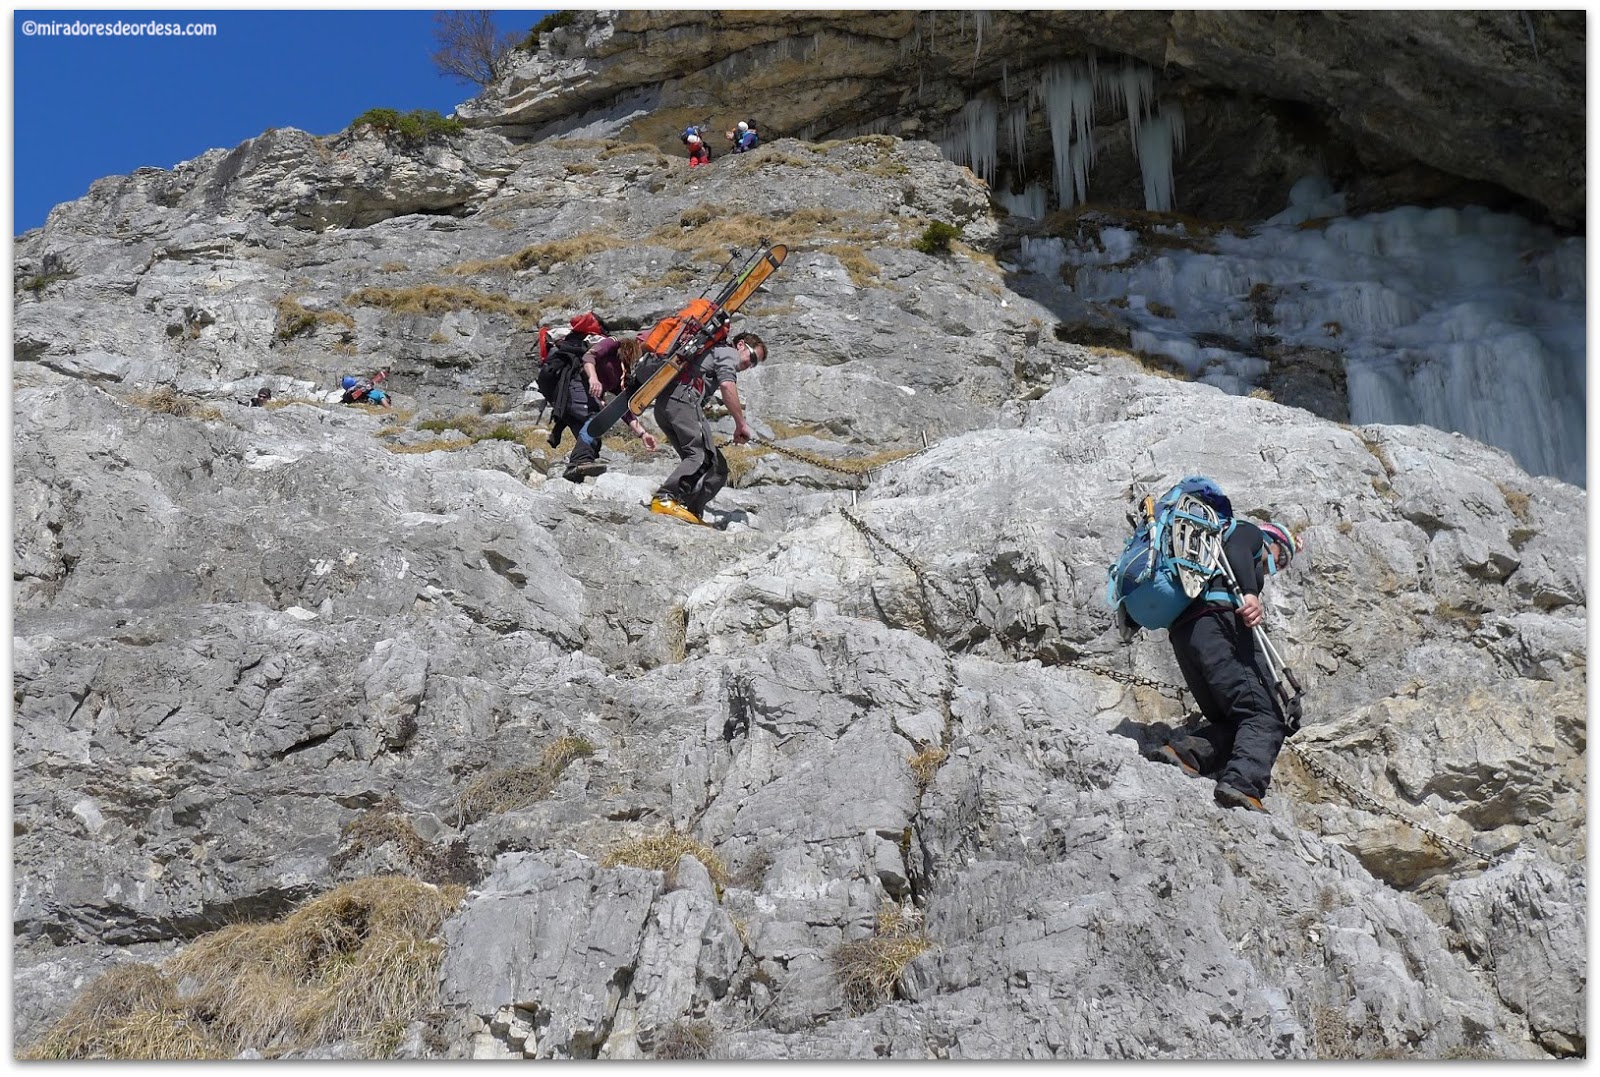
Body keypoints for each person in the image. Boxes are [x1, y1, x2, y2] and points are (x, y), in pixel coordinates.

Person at [1149, 517, 1302, 813]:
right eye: (1279, 557)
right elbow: (1240, 548)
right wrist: (1250, 593)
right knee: (1265, 715)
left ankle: (1185, 753)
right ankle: (1243, 785)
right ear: (1272, 540)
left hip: (1186, 635)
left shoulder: (1206, 570)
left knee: (1239, 721)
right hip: (1220, 624)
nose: (1275, 566)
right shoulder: (1248, 533)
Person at [649, 332, 767, 524]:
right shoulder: (728, 352)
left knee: (717, 468)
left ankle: (690, 510)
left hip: (668, 406)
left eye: (755, 364)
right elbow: (727, 385)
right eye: (752, 357)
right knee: (700, 456)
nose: (749, 365)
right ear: (741, 345)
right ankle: (665, 497)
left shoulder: (714, 352)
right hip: (682, 402)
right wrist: (741, 424)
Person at [563, 334, 659, 483]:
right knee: (595, 421)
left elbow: (623, 407)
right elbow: (589, 357)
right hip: (574, 385)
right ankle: (578, 463)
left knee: (593, 439)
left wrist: (643, 434)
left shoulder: (625, 372)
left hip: (586, 396)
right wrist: (593, 378)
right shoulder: (614, 343)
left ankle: (574, 477)